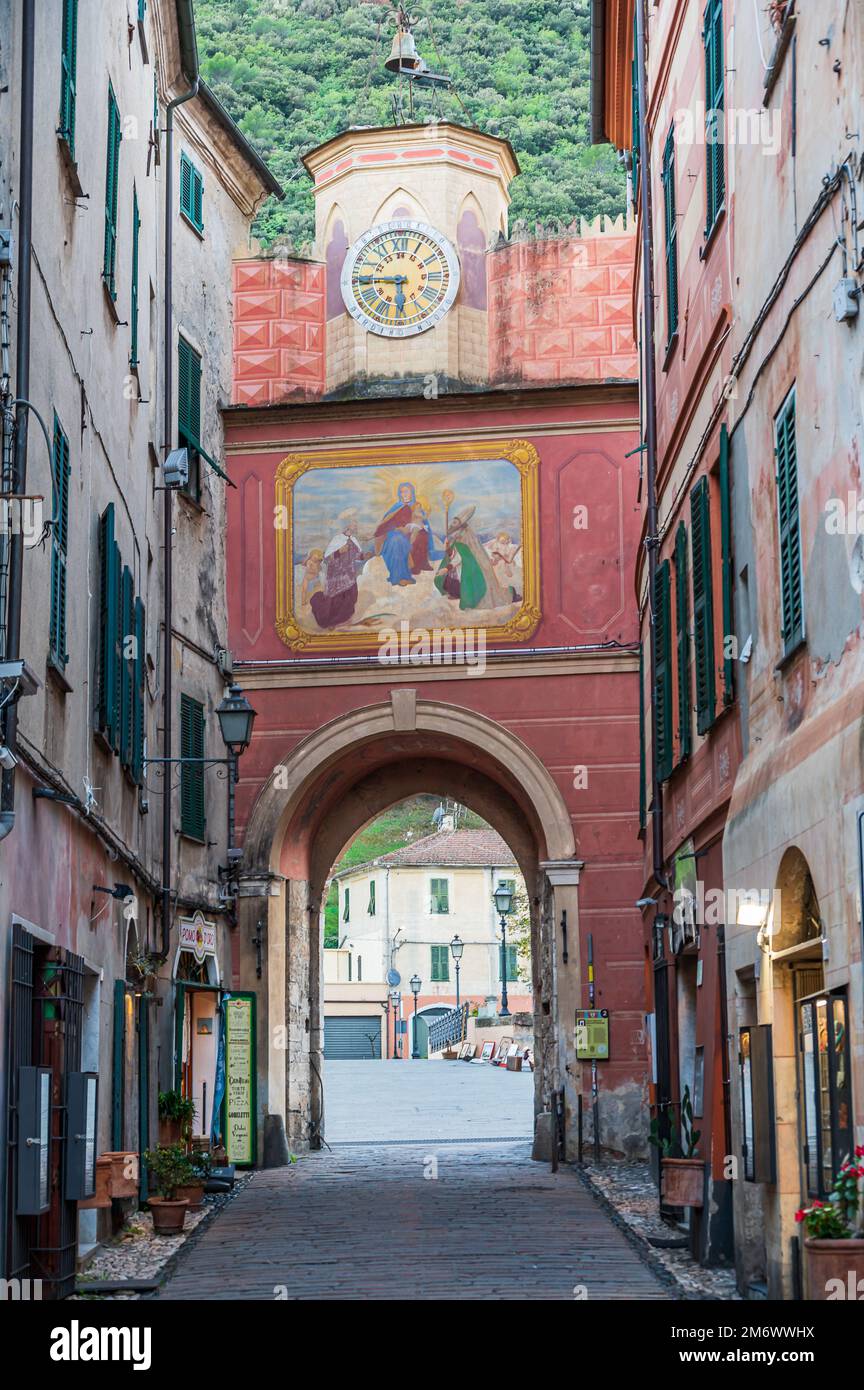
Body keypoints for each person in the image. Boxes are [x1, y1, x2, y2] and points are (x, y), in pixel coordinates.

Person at [309, 514, 364, 629]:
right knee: (335, 604)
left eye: (356, 523)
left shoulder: (354, 540)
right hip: (336, 577)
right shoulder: (337, 539)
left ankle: (344, 619)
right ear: (348, 525)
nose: (356, 525)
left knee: (349, 601)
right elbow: (327, 558)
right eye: (354, 523)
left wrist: (364, 556)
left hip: (349, 576)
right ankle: (331, 622)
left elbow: (357, 556)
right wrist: (339, 551)